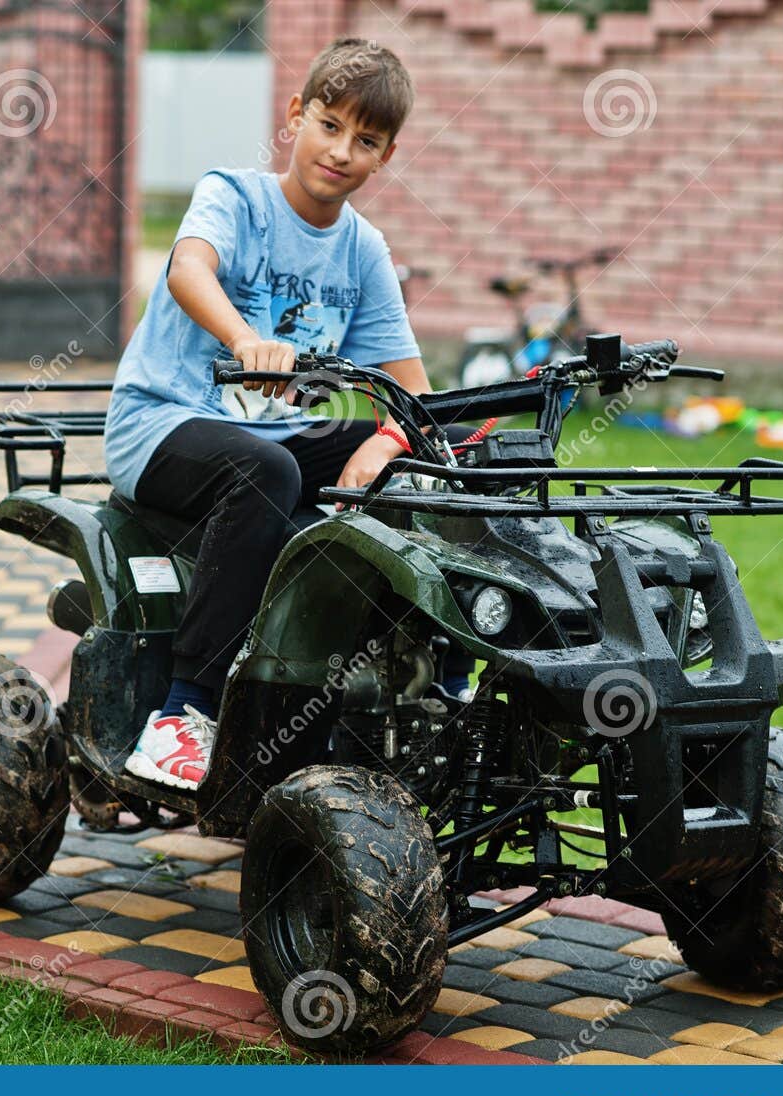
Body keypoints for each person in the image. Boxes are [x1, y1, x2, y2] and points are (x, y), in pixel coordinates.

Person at [102, 37, 469, 792]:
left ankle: (445, 683)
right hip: (165, 425)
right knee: (264, 468)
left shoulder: (363, 251)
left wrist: (392, 438)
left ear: (385, 155)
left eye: (365, 141)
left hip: (275, 438)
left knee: (455, 447)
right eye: (329, 124)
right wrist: (244, 338)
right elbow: (187, 269)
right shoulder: (233, 198)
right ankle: (184, 714)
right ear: (296, 114)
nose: (340, 151)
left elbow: (414, 390)